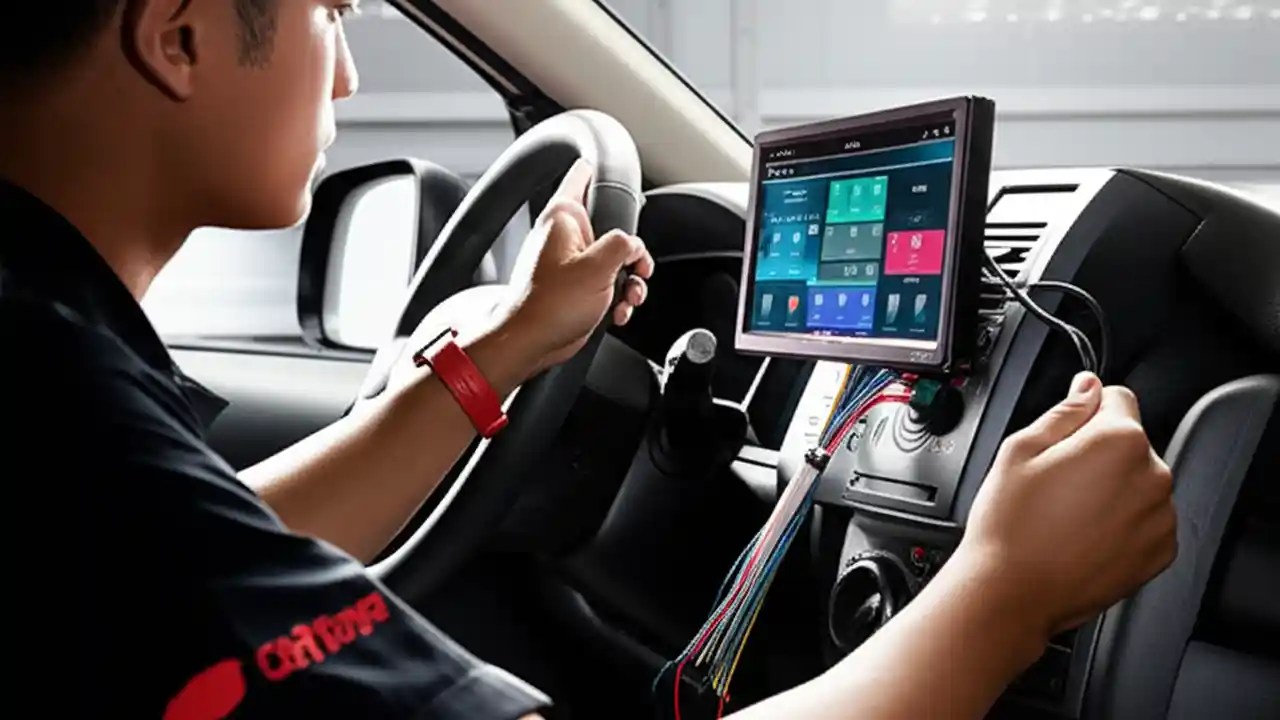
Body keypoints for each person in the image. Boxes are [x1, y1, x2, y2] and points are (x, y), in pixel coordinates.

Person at [0, 2, 1176, 719]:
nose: (349, 73)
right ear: (179, 35)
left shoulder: (54, 366)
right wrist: (1003, 594)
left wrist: (503, 353)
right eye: (333, 12)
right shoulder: (66, 410)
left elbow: (205, 555)